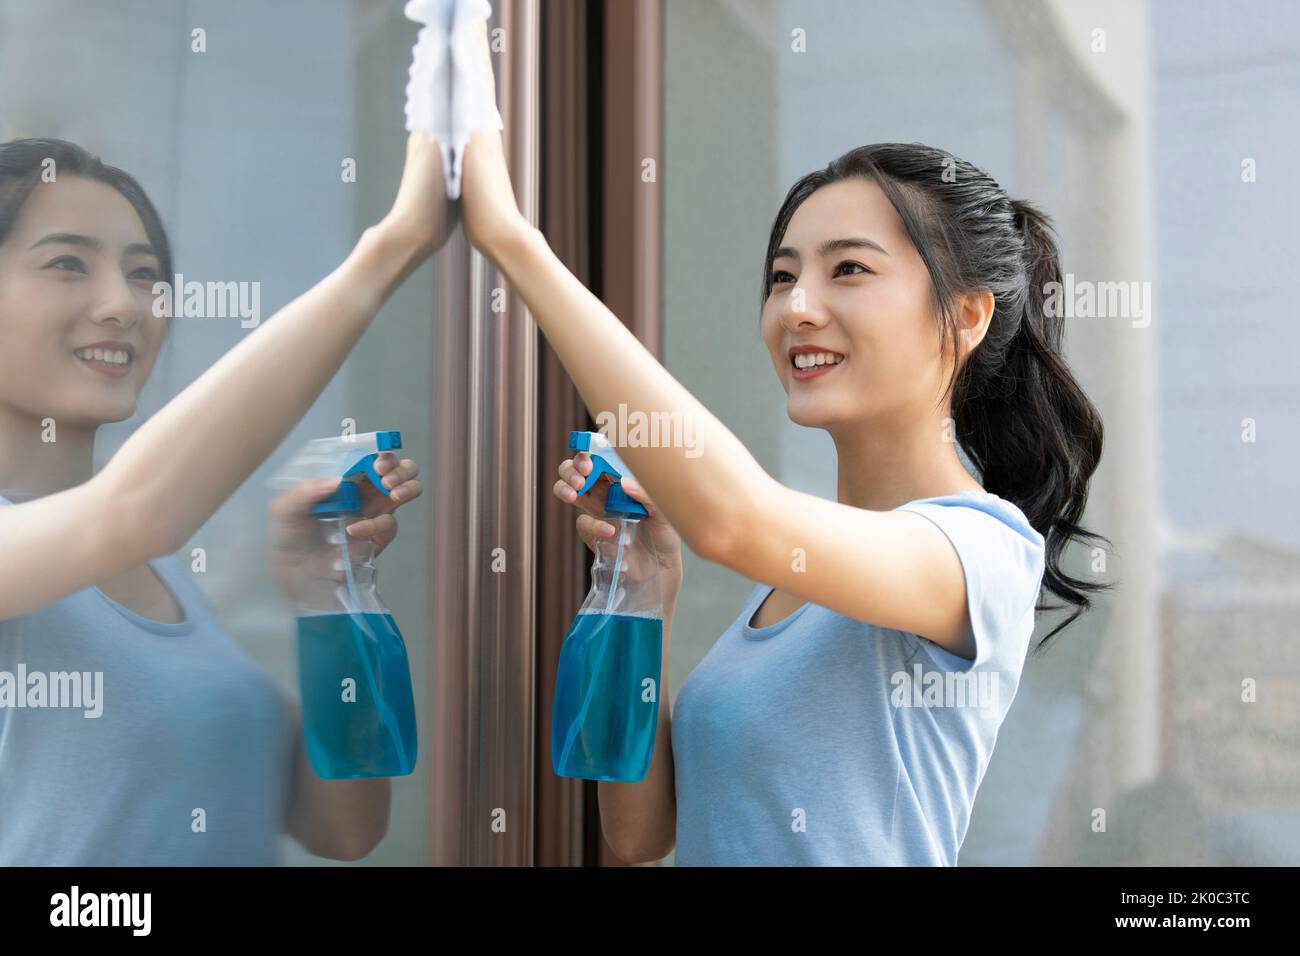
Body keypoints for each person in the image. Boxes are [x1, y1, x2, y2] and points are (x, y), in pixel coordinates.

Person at [455, 21, 1113, 864]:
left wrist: (517, 244)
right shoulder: (782, 600)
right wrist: (642, 594)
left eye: (848, 269)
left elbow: (732, 520)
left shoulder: (979, 554)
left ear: (967, 315)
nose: (798, 305)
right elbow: (639, 833)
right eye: (781, 276)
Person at [0, 132, 446, 864]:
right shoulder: (131, 529)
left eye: (144, 275)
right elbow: (134, 511)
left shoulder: (163, 574)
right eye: (66, 264)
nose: (123, 304)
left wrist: (331, 596)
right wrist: (387, 253)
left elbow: (346, 826)